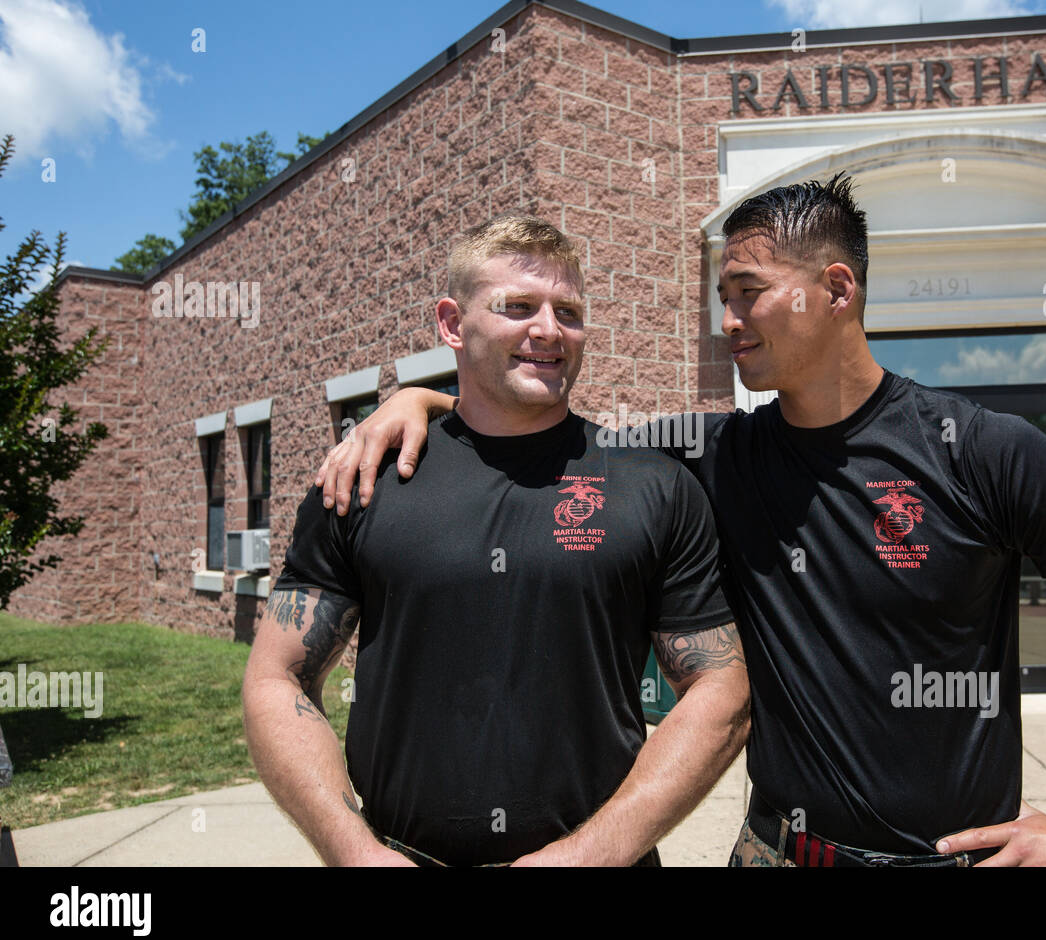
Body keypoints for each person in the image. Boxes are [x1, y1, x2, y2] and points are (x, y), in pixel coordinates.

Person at [316, 175, 1046, 867]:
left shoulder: (983, 451)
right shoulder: (717, 454)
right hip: (772, 854)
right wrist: (421, 404)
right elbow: (545, 430)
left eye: (747, 290)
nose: (727, 320)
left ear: (835, 290)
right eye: (723, 295)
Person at [243, 215, 748, 867]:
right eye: (518, 307)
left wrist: (594, 853)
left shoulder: (652, 485)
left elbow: (721, 687)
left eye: (568, 310)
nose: (548, 330)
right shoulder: (365, 478)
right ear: (452, 324)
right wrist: (355, 854)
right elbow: (277, 676)